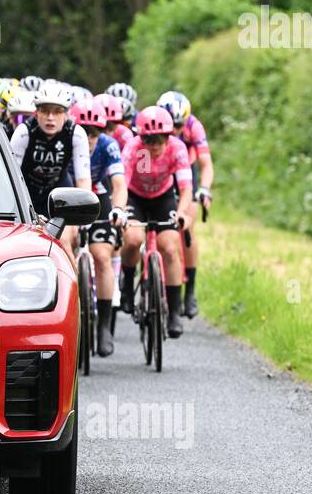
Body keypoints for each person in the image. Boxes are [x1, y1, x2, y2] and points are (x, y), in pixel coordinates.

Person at [118, 106, 193, 338]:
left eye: (161, 139)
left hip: (163, 197)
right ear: (141, 138)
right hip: (135, 197)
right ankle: (128, 286)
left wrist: (182, 213)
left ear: (169, 137)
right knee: (132, 239)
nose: (155, 145)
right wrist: (120, 210)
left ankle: (174, 314)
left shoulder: (178, 149)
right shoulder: (133, 149)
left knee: (170, 247)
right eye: (149, 140)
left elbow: (186, 188)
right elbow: (122, 182)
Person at [71, 98, 127, 357]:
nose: (90, 138)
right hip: (69, 196)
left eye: (95, 133)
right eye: (85, 131)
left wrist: (118, 209)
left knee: (102, 257)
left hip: (99, 198)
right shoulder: (66, 140)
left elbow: (118, 184)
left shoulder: (109, 145)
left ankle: (104, 326)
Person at [159, 90, 213, 318]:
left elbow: (206, 164)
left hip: (184, 172)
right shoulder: (152, 121)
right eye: (170, 127)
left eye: (178, 127)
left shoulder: (194, 126)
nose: (174, 132)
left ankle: (189, 290)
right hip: (159, 173)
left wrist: (205, 190)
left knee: (187, 225)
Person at [9, 81, 90, 228]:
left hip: (59, 189)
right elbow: (12, 177)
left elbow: (83, 179)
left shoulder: (76, 133)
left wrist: (84, 213)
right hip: (27, 189)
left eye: (57, 111)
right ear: (36, 112)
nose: (50, 117)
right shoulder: (23, 132)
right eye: (45, 111)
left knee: (66, 237)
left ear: (66, 114)